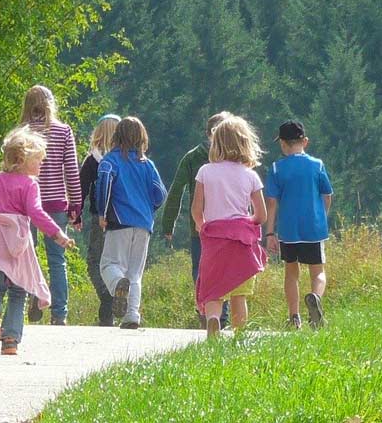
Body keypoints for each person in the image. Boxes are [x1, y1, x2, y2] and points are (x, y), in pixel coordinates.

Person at [0, 126, 76, 355]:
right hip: (16, 245)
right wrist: (57, 234)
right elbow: (36, 213)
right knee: (18, 290)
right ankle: (10, 340)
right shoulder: (29, 184)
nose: (41, 166)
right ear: (23, 159)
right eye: (39, 161)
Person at [191, 114, 268, 338]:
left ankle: (213, 321)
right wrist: (246, 224)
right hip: (241, 241)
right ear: (246, 142)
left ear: (216, 143)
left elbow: (197, 209)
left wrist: (202, 226)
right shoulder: (251, 176)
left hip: (215, 238)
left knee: (214, 290)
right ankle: (239, 334)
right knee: (239, 294)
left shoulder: (205, 171)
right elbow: (261, 215)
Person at [96, 116, 167, 329]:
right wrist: (148, 210)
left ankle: (117, 284)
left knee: (109, 264)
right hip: (144, 223)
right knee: (135, 272)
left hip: (119, 220)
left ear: (117, 136)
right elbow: (160, 194)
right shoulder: (148, 165)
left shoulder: (110, 161)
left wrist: (102, 212)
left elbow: (104, 185)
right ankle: (132, 315)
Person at [161, 111, 232, 327]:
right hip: (217, 228)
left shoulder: (199, 157)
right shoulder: (198, 158)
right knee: (218, 271)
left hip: (205, 227)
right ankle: (216, 315)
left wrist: (168, 223)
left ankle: (213, 314)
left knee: (206, 271)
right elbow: (176, 190)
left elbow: (176, 191)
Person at [20, 85, 81, 325]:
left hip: (25, 203)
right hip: (55, 202)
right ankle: (59, 314)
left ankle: (34, 296)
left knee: (28, 255)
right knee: (57, 259)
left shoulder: (21, 133)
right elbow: (72, 172)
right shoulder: (63, 131)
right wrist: (76, 206)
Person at [263, 120, 334, 329]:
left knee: (291, 272)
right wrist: (322, 216)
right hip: (314, 226)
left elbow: (272, 202)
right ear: (305, 141)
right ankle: (315, 298)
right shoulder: (317, 165)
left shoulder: (277, 168)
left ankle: (294, 317)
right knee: (318, 271)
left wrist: (269, 233)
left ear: (283, 144)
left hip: (288, 229)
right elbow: (327, 195)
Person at [79, 113, 121, 326]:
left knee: (94, 261)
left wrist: (76, 215)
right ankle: (114, 304)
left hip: (99, 217)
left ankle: (107, 297)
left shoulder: (92, 160)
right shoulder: (125, 159)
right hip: (124, 219)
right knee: (117, 262)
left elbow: (81, 190)